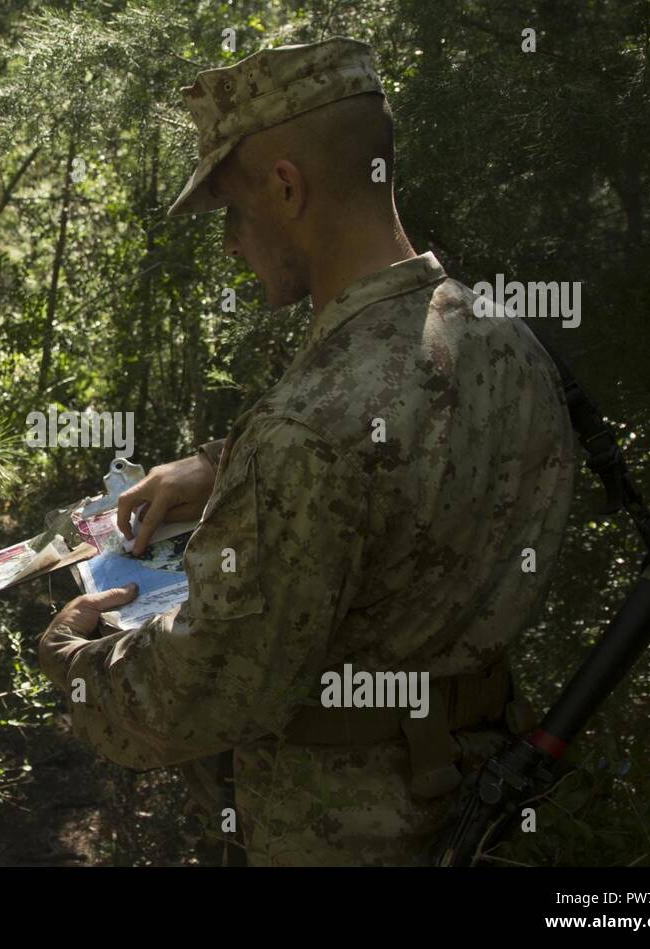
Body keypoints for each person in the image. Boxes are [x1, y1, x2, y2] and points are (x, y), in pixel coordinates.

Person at [37, 38, 577, 865]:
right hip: (487, 791)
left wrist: (75, 660)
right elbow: (413, 457)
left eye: (232, 214)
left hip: (343, 830)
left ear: (286, 187)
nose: (228, 245)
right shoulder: (508, 340)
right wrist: (223, 466)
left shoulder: (309, 427)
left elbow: (202, 696)